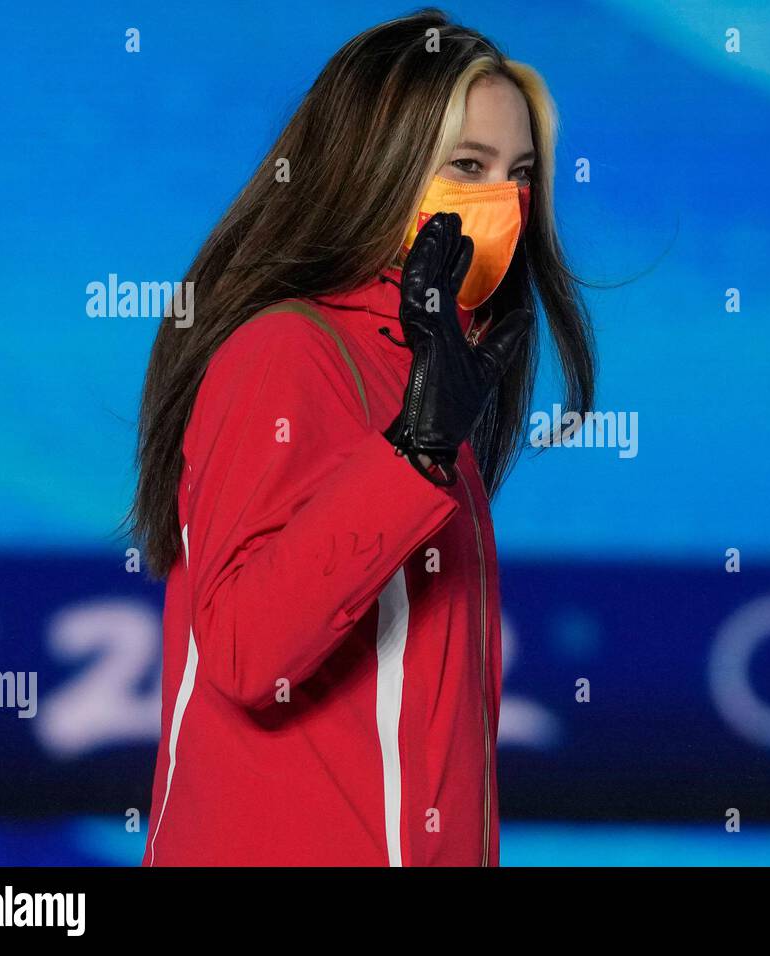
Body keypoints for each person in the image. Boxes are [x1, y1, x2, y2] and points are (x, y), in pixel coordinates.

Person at [129, 8, 595, 866]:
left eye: (518, 173)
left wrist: (424, 435)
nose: (504, 201)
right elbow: (245, 648)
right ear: (374, 168)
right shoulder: (287, 351)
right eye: (467, 166)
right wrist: (410, 451)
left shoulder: (423, 375)